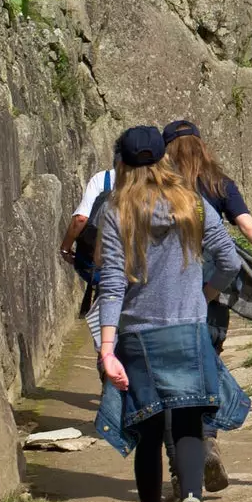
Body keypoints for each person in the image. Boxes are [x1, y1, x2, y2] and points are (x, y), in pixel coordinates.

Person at [94, 127, 246, 502]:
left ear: (122, 162)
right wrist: (206, 294)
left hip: (139, 336)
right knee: (187, 423)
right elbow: (231, 261)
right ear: (163, 160)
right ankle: (193, 498)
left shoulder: (115, 210)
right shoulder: (193, 204)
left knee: (146, 433)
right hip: (190, 331)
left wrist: (107, 350)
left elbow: (113, 283)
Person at [161, 119, 252, 495]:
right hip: (212, 293)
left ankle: (181, 471)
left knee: (172, 381)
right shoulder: (219, 184)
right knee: (206, 365)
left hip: (168, 296)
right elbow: (247, 225)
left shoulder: (160, 188)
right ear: (201, 146)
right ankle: (207, 439)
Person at [59, 129, 165, 350]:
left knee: (110, 317)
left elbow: (80, 219)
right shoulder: (173, 193)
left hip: (110, 266)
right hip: (152, 275)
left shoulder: (103, 180)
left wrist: (66, 248)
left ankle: (108, 359)